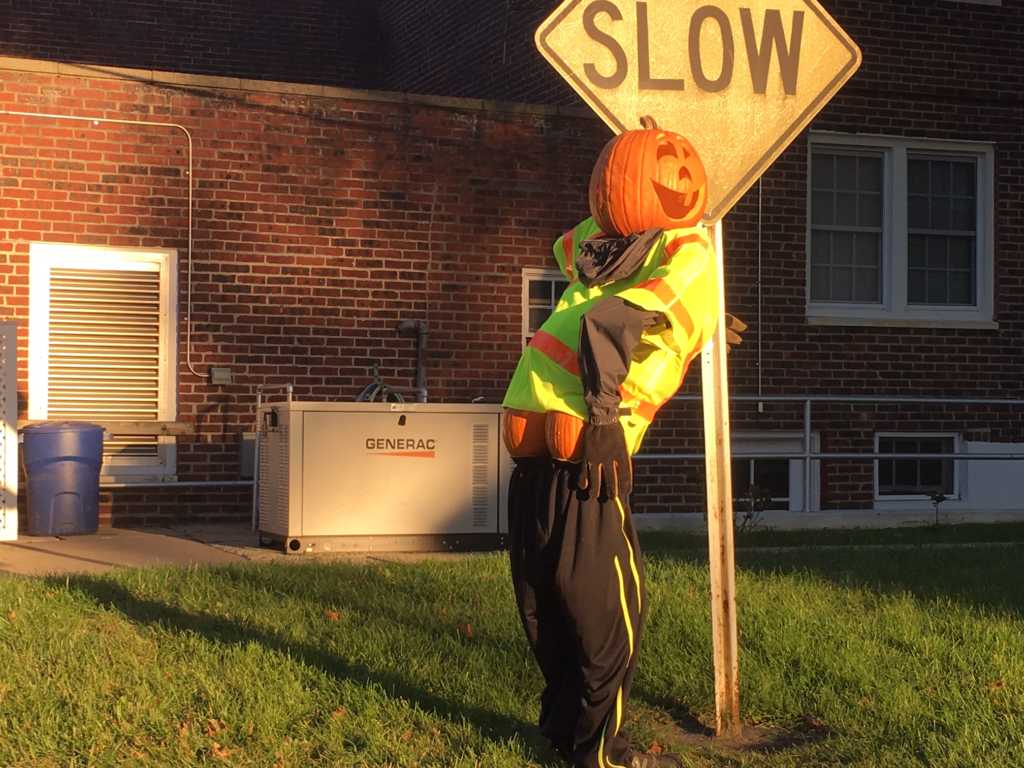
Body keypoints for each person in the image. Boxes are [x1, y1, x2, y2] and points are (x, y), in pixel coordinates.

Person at [502, 126, 743, 768]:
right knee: (549, 607)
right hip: (543, 463)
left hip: (588, 456)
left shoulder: (687, 252)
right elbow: (587, 241)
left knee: (598, 611)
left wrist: (605, 416)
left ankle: (596, 749)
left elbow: (617, 322)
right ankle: (566, 736)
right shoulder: (607, 252)